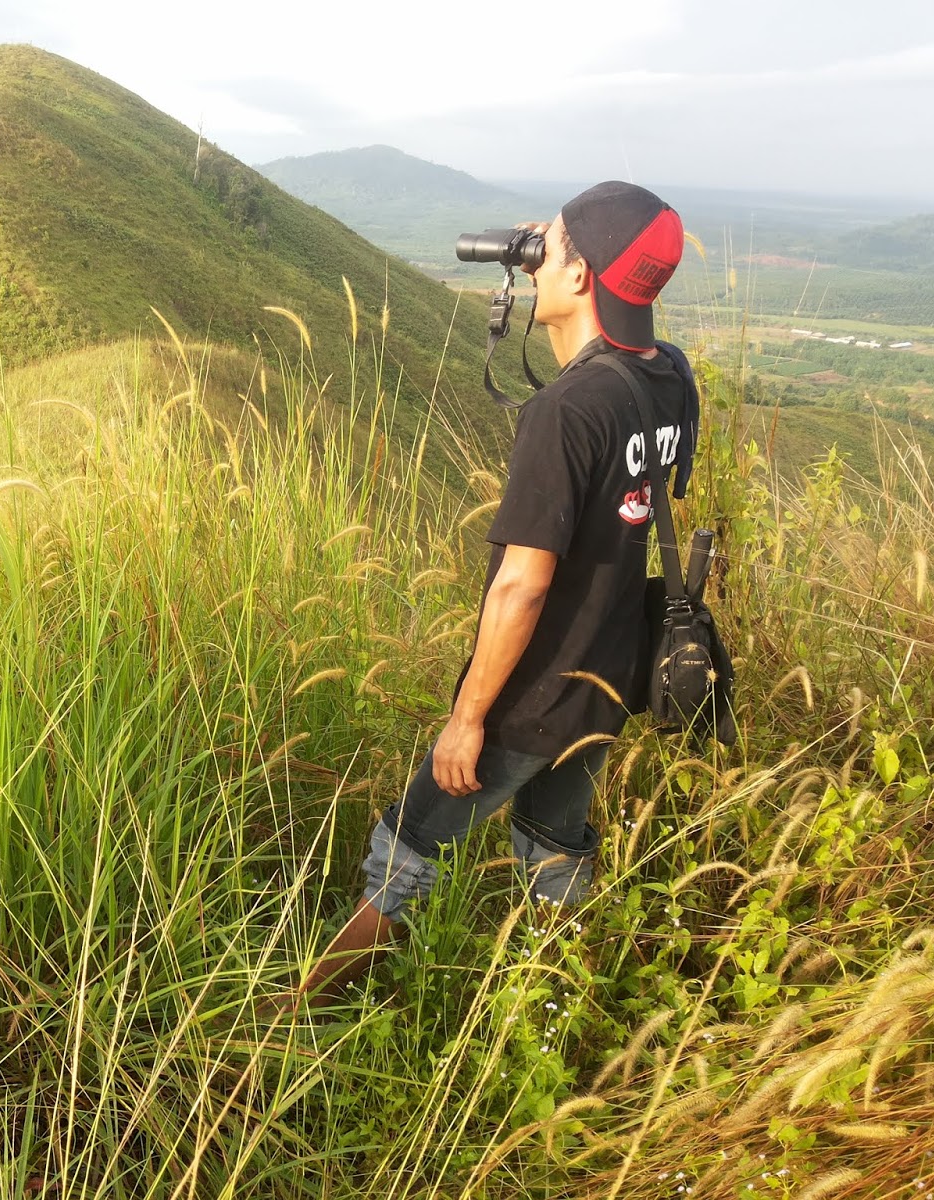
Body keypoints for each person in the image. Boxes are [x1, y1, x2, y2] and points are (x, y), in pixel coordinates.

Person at [289, 181, 697, 1008]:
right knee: (556, 852)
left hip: (529, 694)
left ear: (579, 276)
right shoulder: (670, 377)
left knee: (406, 856)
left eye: (550, 246)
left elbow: (522, 583)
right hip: (605, 682)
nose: (532, 257)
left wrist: (469, 717)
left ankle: (292, 1018)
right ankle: (557, 1015)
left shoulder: (567, 410)